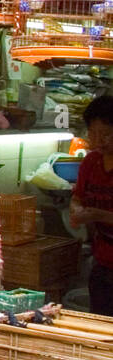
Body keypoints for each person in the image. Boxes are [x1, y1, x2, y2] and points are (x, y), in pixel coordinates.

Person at [70, 94, 113, 316]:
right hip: (103, 262)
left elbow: (97, 213)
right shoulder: (90, 162)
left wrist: (97, 214)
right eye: (93, 134)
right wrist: (76, 209)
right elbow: (78, 197)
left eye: (106, 134)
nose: (99, 141)